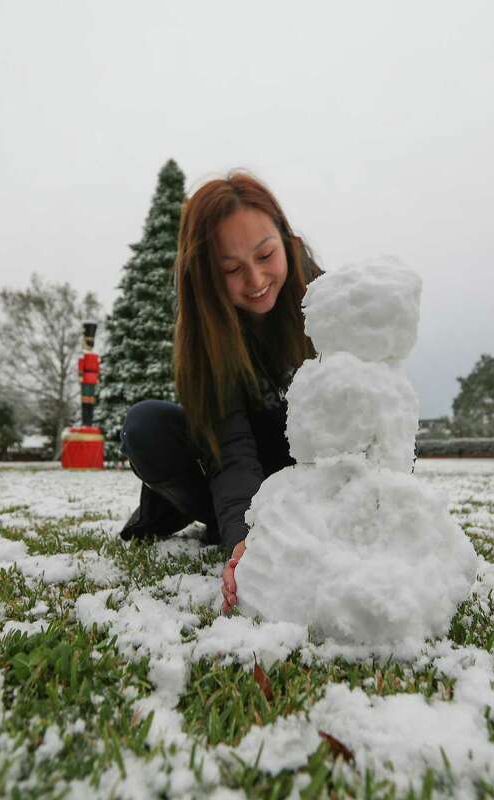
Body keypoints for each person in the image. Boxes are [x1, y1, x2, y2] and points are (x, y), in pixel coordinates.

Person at [117, 172, 321, 616]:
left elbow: (366, 409)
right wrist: (245, 539)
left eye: (266, 254)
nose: (255, 279)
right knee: (146, 425)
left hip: (303, 474)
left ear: (285, 238)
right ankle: (213, 515)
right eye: (231, 270)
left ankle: (292, 517)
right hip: (231, 470)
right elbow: (229, 449)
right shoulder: (209, 334)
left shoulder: (326, 300)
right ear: (208, 276)